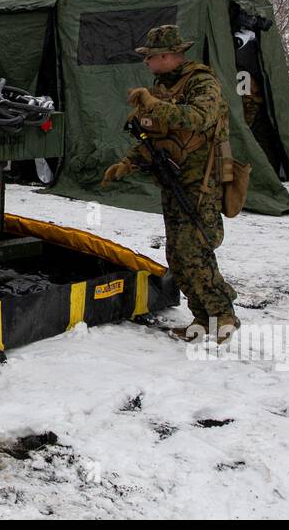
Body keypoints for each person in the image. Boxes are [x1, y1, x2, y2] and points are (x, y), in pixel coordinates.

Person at [99, 25, 240, 342]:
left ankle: (224, 315)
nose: (146, 63)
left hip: (201, 184)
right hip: (174, 180)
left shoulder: (203, 83)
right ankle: (202, 318)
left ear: (167, 56)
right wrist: (129, 163)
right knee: (176, 256)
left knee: (196, 252)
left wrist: (152, 104)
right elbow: (155, 136)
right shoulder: (162, 86)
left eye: (150, 57)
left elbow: (197, 118)